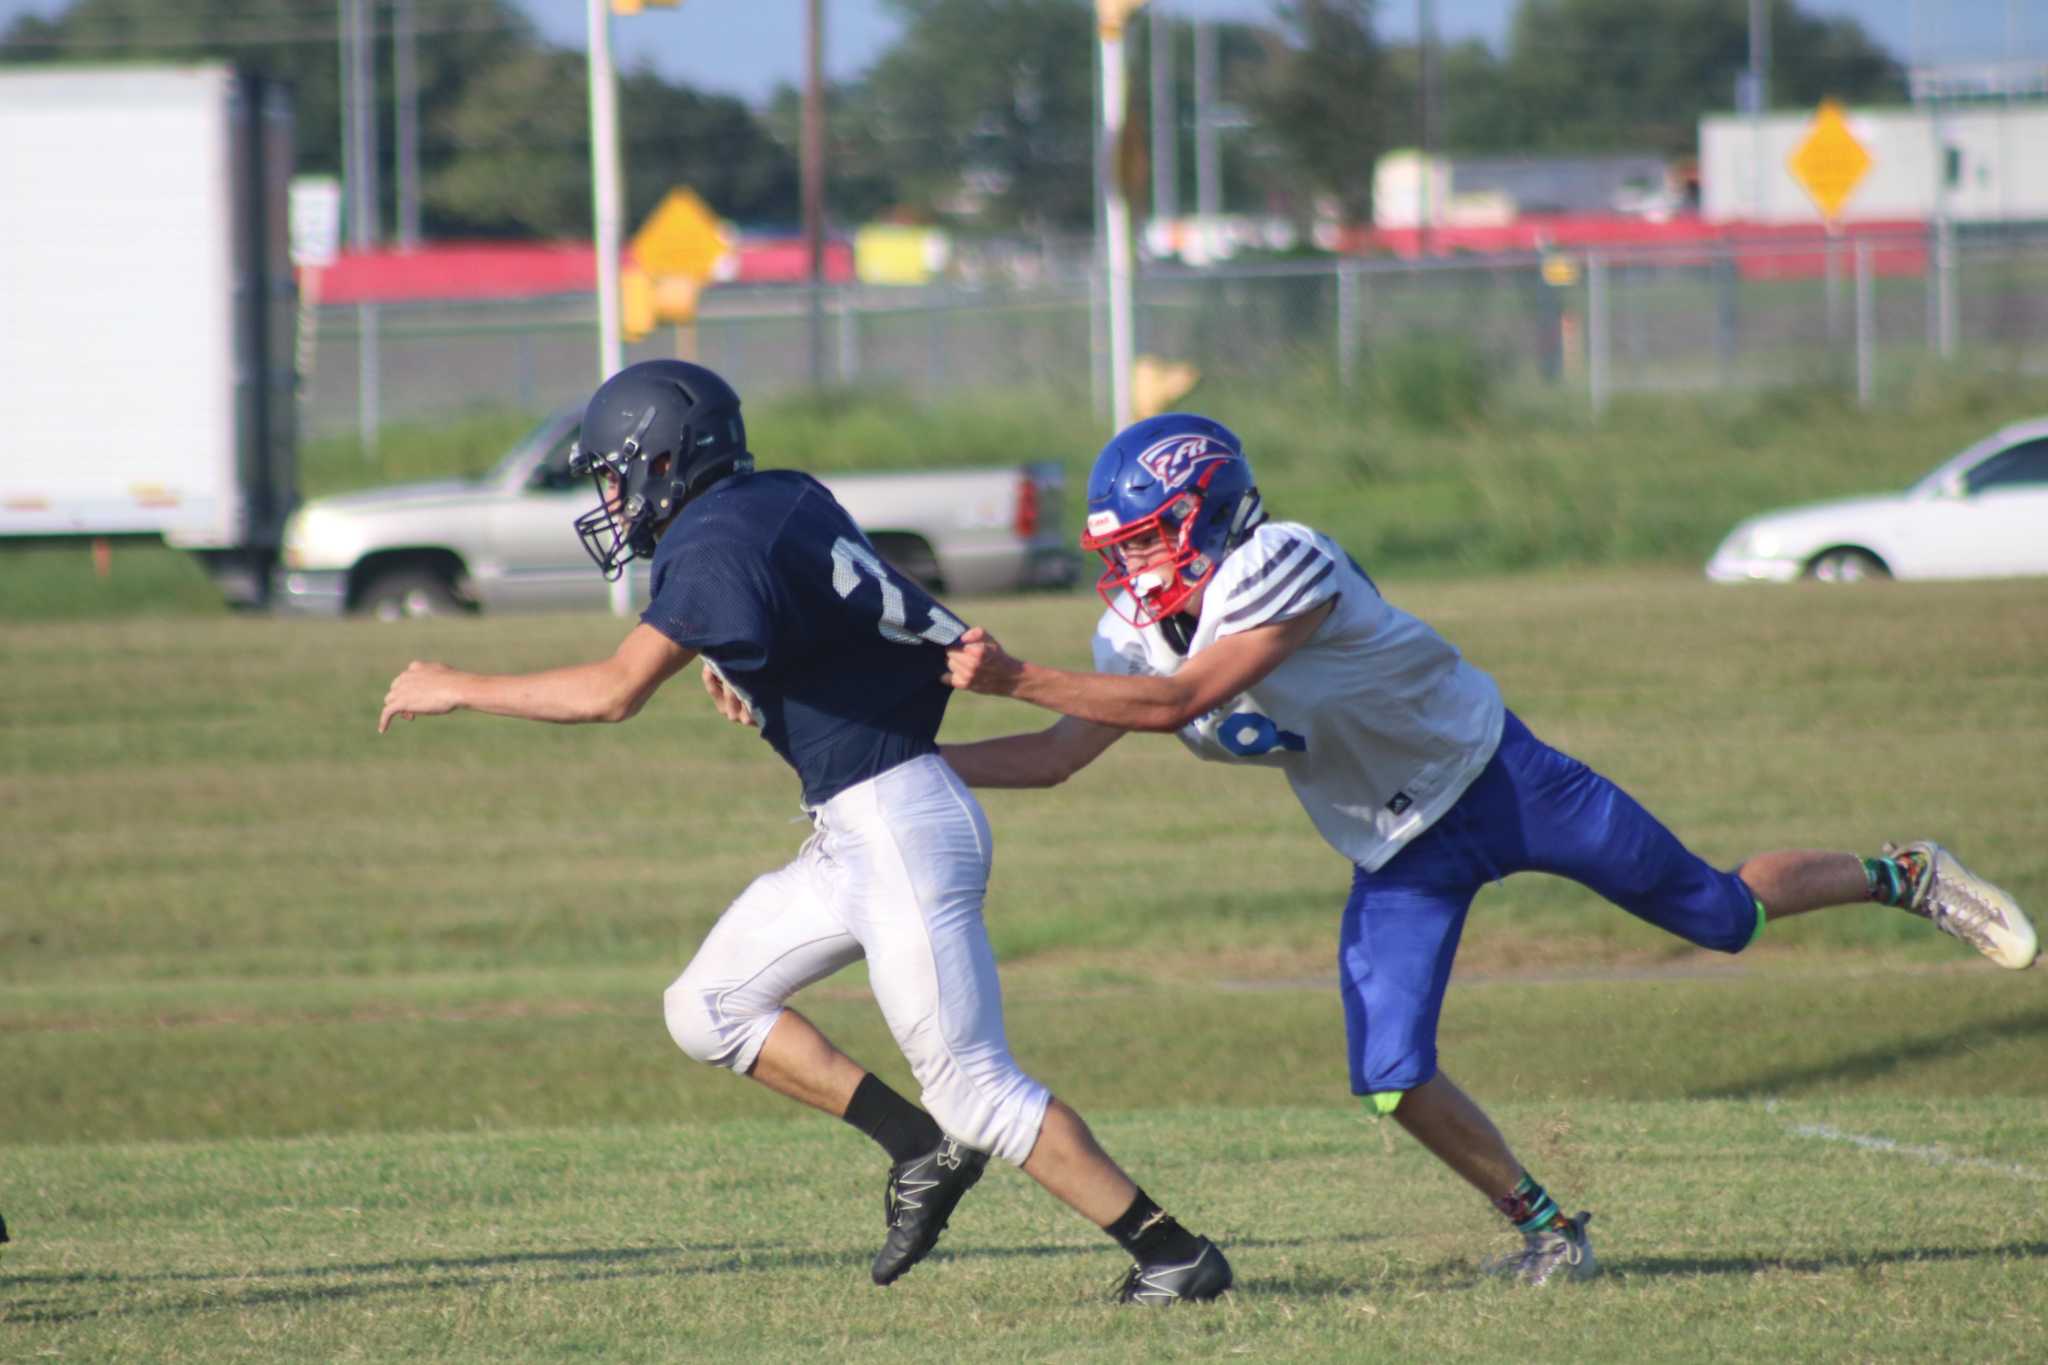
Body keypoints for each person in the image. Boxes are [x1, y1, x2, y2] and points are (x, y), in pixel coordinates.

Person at [928, 411, 2040, 1287]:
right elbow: (1058, 756)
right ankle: (1552, 1230)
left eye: (1150, 539)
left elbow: (1175, 703)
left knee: (1719, 916)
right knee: (1387, 1077)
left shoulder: (1284, 559)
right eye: (1120, 548)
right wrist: (914, 765)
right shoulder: (1125, 633)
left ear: (1212, 517)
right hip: (1393, 848)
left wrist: (1013, 672)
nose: (1130, 567)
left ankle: (1906, 874)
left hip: (1501, 779)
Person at [378, 362, 1231, 1304]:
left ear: (667, 458)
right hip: (861, 823)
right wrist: (750, 671)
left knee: (977, 1086)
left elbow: (612, 692)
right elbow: (830, 620)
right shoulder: (775, 495)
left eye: (617, 475)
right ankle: (920, 1149)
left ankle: (1171, 1251)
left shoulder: (707, 542)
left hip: (899, 821)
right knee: (707, 1006)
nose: (612, 498)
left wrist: (457, 684)